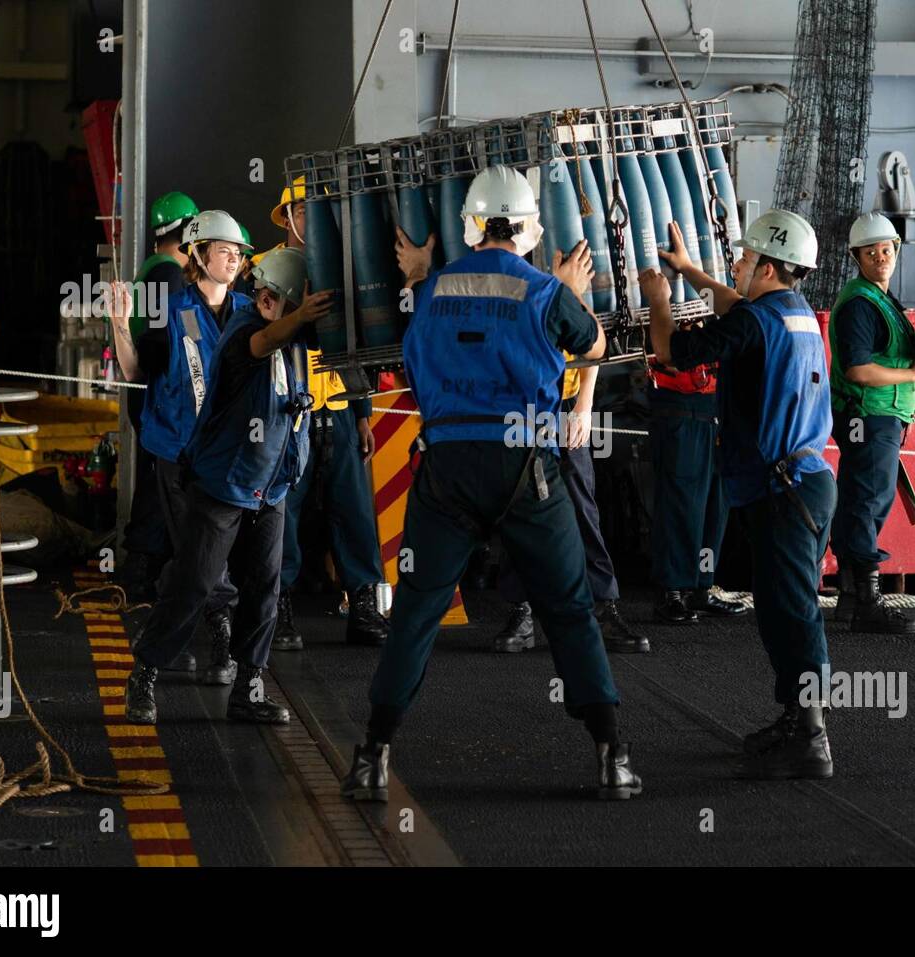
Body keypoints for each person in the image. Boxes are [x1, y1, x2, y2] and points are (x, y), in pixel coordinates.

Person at [341, 165, 642, 801]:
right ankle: (611, 754)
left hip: (445, 470)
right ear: (531, 228)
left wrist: (421, 270)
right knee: (568, 607)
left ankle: (372, 753)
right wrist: (568, 293)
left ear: (471, 227)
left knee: (418, 612)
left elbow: (429, 327)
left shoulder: (432, 289)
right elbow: (595, 346)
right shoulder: (543, 291)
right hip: (524, 468)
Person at [645, 209, 835, 780]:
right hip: (807, 484)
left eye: (747, 258)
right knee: (783, 610)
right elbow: (738, 308)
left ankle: (811, 738)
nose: (738, 263)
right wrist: (692, 272)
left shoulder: (759, 321)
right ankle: (794, 719)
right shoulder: (794, 312)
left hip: (785, 493)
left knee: (793, 612)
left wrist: (659, 296)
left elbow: (675, 352)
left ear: (772, 266)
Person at [124, 248, 332, 725]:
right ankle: (146, 673)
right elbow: (265, 343)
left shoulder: (298, 342)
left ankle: (249, 688)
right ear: (265, 301)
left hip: (271, 487)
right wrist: (298, 316)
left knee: (263, 588)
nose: (301, 318)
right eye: (291, 304)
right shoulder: (242, 336)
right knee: (194, 583)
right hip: (224, 485)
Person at [254, 177, 387, 650]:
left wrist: (364, 412)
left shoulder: (343, 268)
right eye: (306, 211)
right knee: (282, 516)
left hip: (339, 412)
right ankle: (279, 604)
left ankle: (365, 604)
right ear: (286, 216)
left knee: (354, 513)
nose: (314, 221)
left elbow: (358, 347)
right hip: (287, 415)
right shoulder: (267, 271)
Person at [128, 210, 251, 684]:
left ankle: (165, 642)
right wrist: (121, 325)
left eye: (239, 252)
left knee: (199, 557)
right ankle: (215, 634)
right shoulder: (171, 312)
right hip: (178, 453)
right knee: (200, 553)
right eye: (225, 251)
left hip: (232, 456)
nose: (235, 259)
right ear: (199, 255)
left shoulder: (248, 311)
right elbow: (139, 373)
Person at [491, 325, 649, 655]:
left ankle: (603, 606)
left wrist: (583, 408)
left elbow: (591, 340)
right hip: (516, 407)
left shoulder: (569, 279)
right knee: (517, 502)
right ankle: (521, 609)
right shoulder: (509, 280)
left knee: (580, 504)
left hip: (565, 404)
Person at [828, 212, 915, 635]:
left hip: (878, 419)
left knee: (864, 500)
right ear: (857, 257)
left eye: (885, 249)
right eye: (870, 252)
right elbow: (858, 370)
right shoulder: (860, 304)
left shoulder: (878, 299)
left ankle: (852, 601)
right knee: (867, 503)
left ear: (896, 249)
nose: (880, 257)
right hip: (868, 417)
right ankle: (866, 603)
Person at [648, 221, 747, 624]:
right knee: (681, 500)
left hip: (716, 410)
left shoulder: (741, 307)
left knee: (714, 502)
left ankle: (702, 586)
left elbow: (722, 301)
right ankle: (673, 590)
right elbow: (666, 352)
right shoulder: (742, 305)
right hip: (679, 405)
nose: (737, 266)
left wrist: (687, 270)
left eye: (745, 261)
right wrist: (660, 300)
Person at [109, 191, 198, 604]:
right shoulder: (170, 275)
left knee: (159, 479)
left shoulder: (153, 268)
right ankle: (141, 569)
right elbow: (174, 338)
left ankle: (146, 567)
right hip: (157, 389)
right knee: (160, 483)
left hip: (147, 388)